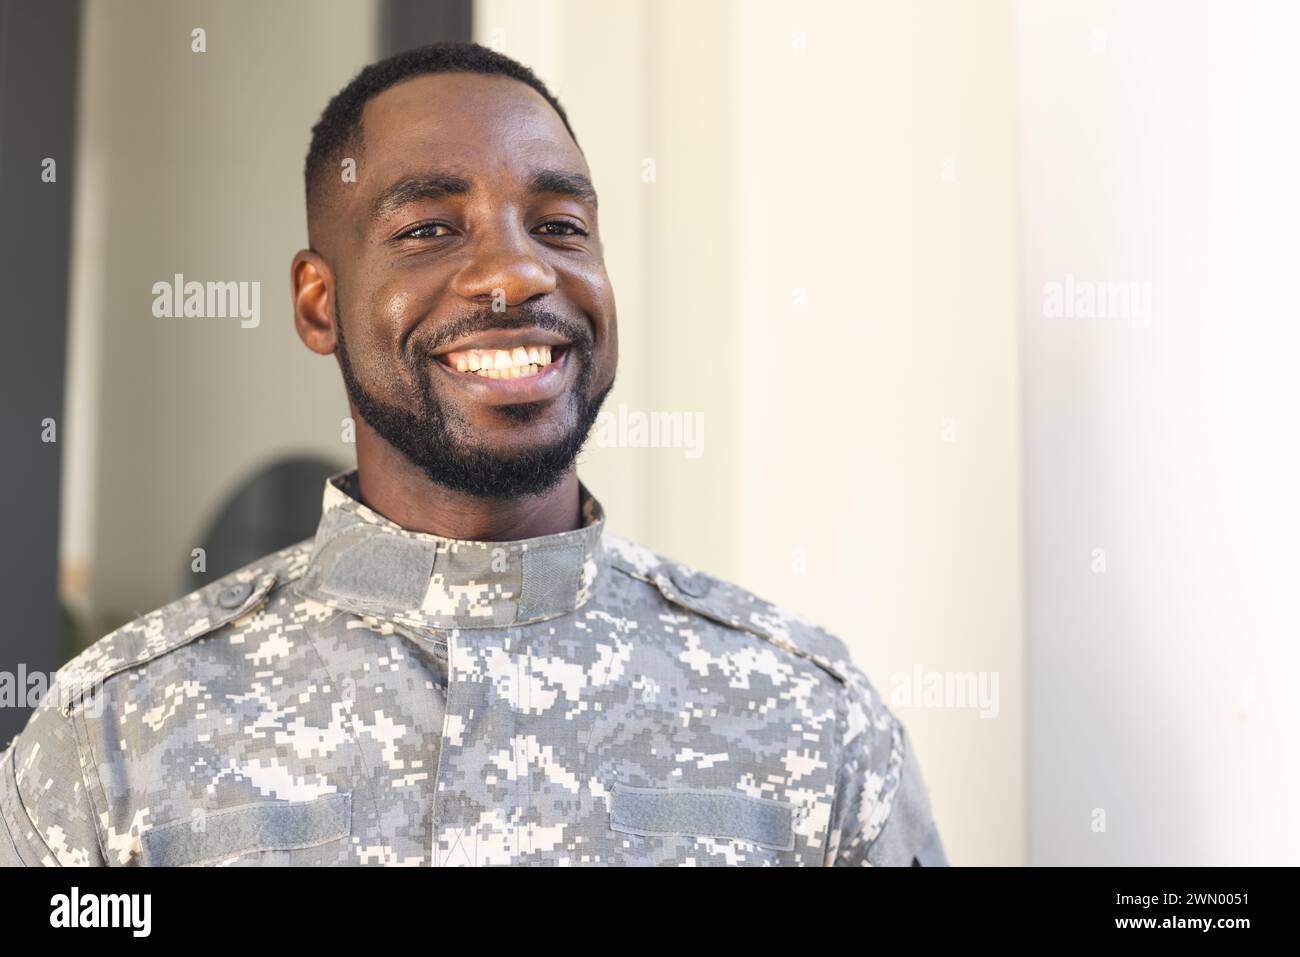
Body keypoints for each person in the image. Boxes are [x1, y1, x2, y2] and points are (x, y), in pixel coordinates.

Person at [0, 42, 946, 867]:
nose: (520, 272)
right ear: (318, 303)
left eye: (561, 227)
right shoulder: (110, 737)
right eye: (428, 229)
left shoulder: (811, 719)